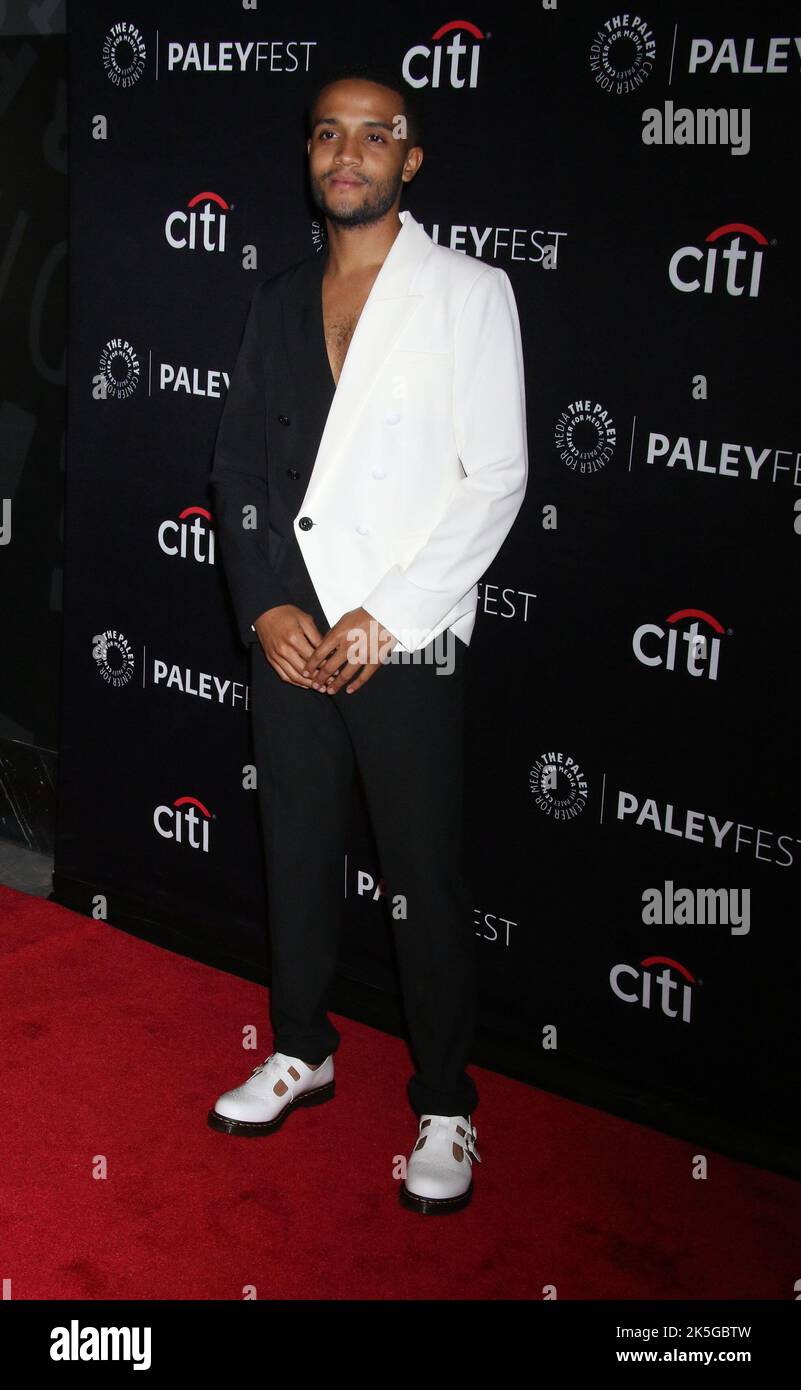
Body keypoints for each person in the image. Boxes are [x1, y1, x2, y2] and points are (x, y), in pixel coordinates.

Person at [206, 63, 529, 1213]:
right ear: (309, 157)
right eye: (329, 136)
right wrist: (269, 607)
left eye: (375, 136)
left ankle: (445, 1102)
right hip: (295, 632)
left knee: (422, 873)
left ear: (411, 156)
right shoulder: (280, 296)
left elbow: (495, 479)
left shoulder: (469, 293)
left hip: (405, 634)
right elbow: (240, 467)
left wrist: (383, 617)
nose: (350, 154)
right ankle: (305, 1043)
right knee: (294, 845)